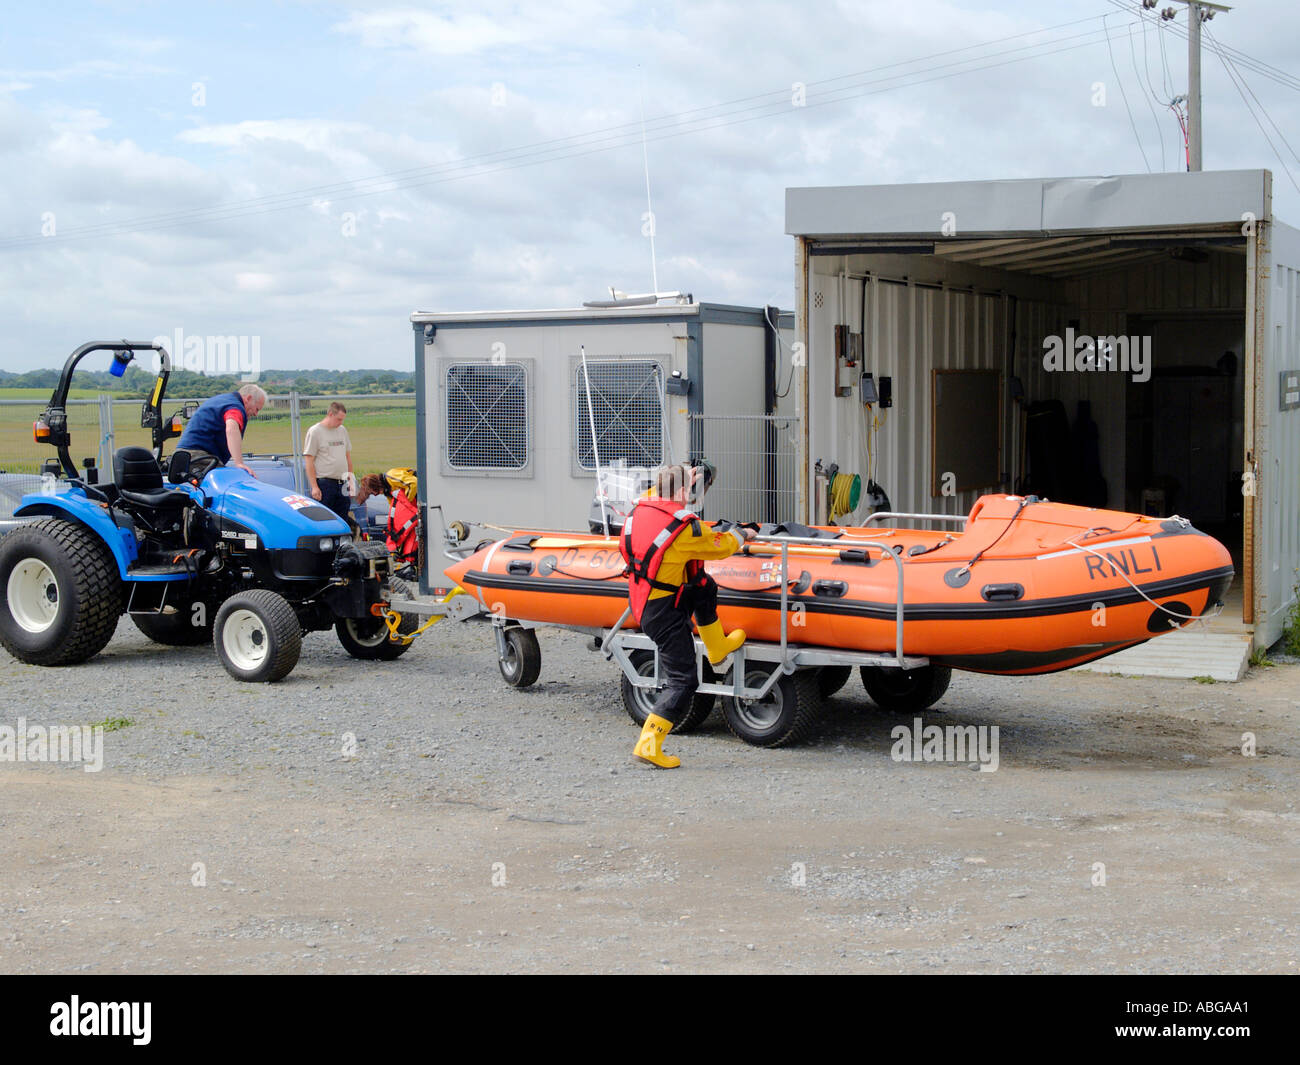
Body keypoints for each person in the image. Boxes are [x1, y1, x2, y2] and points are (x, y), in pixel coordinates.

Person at [619, 462, 753, 769]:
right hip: (662, 613)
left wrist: (682, 479)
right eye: (688, 488)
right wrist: (743, 534)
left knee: (703, 585)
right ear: (682, 491)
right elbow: (721, 546)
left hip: (646, 599)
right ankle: (648, 744)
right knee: (683, 681)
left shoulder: (642, 509)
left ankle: (717, 645)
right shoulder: (684, 530)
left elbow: (662, 493)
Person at [174, 383, 267, 479]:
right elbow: (231, 429)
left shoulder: (222, 400)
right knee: (228, 482)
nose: (256, 414)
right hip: (198, 457)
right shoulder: (235, 407)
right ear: (248, 398)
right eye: (256, 409)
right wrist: (239, 463)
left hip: (183, 456)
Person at [357, 469, 419, 576]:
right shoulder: (388, 492)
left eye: (374, 492)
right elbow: (394, 511)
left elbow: (414, 483)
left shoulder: (391, 476)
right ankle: (412, 562)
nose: (376, 495)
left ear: (376, 486)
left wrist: (407, 502)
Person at [303, 402, 354, 522]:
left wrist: (351, 481)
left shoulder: (342, 430)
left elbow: (347, 457)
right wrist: (314, 486)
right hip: (325, 484)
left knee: (343, 519)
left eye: (342, 420)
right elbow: (309, 460)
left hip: (342, 483)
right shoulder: (315, 431)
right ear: (330, 414)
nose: (340, 423)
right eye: (338, 419)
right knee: (326, 519)